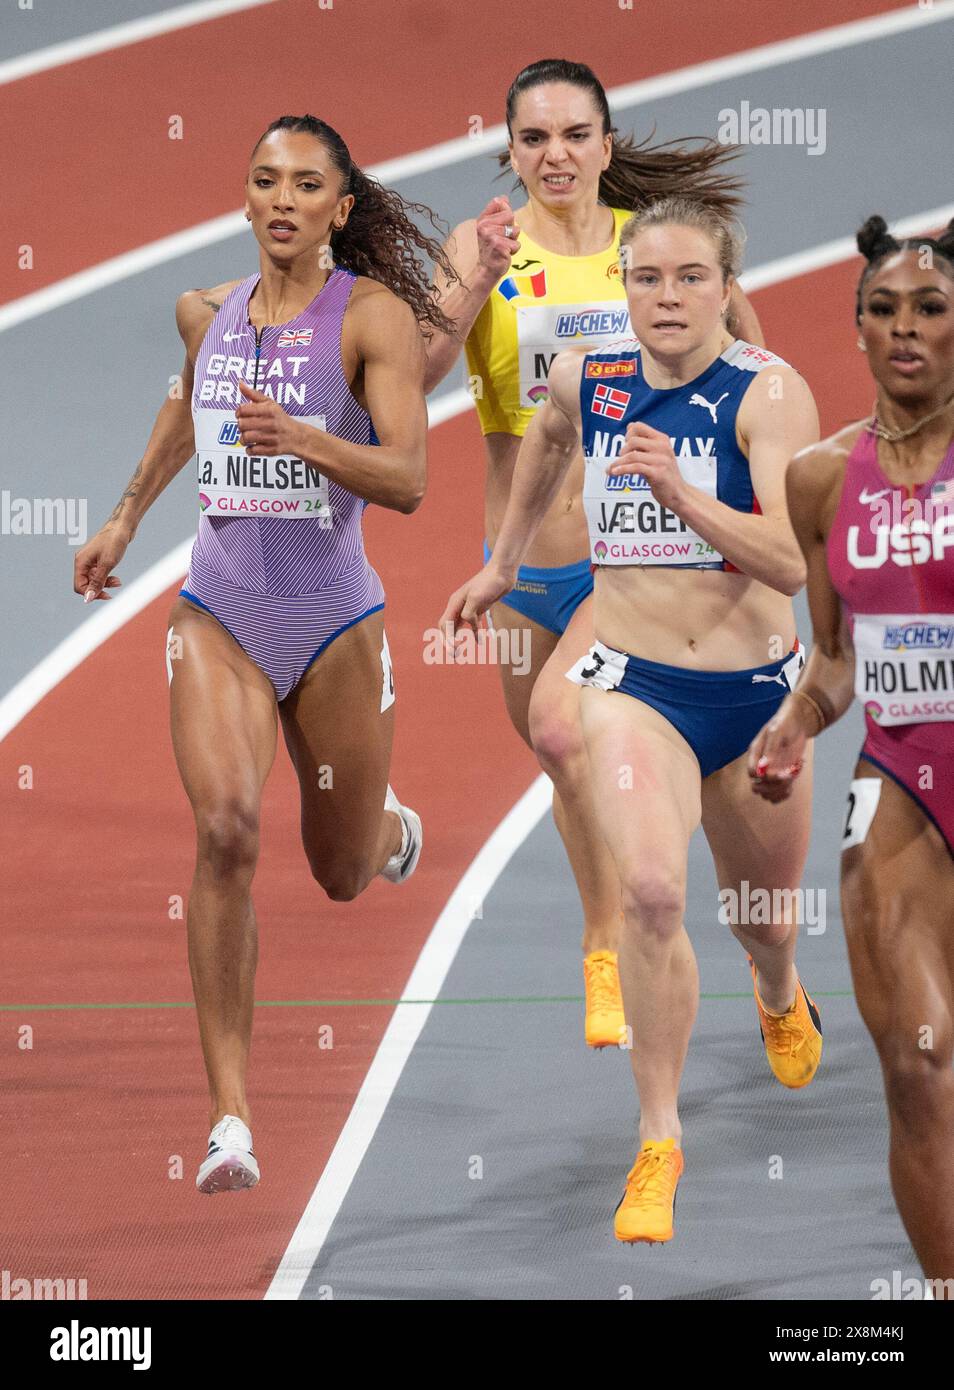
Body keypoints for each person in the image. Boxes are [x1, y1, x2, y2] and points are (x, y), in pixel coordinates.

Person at [73, 114, 457, 1194]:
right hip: (221, 611)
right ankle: (229, 1118)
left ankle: (385, 825)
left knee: (339, 873)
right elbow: (179, 415)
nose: (280, 200)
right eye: (263, 181)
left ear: (341, 207)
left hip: (334, 617)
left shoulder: (368, 319)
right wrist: (122, 519)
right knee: (229, 828)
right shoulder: (208, 314)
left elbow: (410, 480)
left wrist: (309, 442)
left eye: (304, 185)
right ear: (245, 200)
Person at [441, 195, 822, 1244]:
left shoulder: (769, 394)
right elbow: (549, 439)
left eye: (690, 278)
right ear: (624, 288)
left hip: (752, 701)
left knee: (763, 918)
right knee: (654, 890)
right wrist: (505, 560)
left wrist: (682, 495)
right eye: (646, 278)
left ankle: (780, 986)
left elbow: (793, 562)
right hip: (636, 686)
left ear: (726, 288)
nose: (666, 298)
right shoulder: (589, 375)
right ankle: (658, 1139)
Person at [426, 58, 765, 1048]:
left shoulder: (656, 248)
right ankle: (611, 929)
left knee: (619, 746)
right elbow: (412, 374)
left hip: (648, 562)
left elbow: (755, 372)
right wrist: (477, 280)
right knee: (563, 755)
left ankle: (685, 946)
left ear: (608, 145)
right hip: (530, 557)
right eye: (534, 138)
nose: (556, 154)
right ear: (511, 151)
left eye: (575, 134)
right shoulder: (481, 246)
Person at [750, 214, 954, 1283]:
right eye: (885, 309)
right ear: (857, 329)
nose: (907, 328)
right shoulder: (823, 478)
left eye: (931, 308)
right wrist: (793, 719)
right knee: (918, 1065)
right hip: (904, 780)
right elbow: (833, 657)